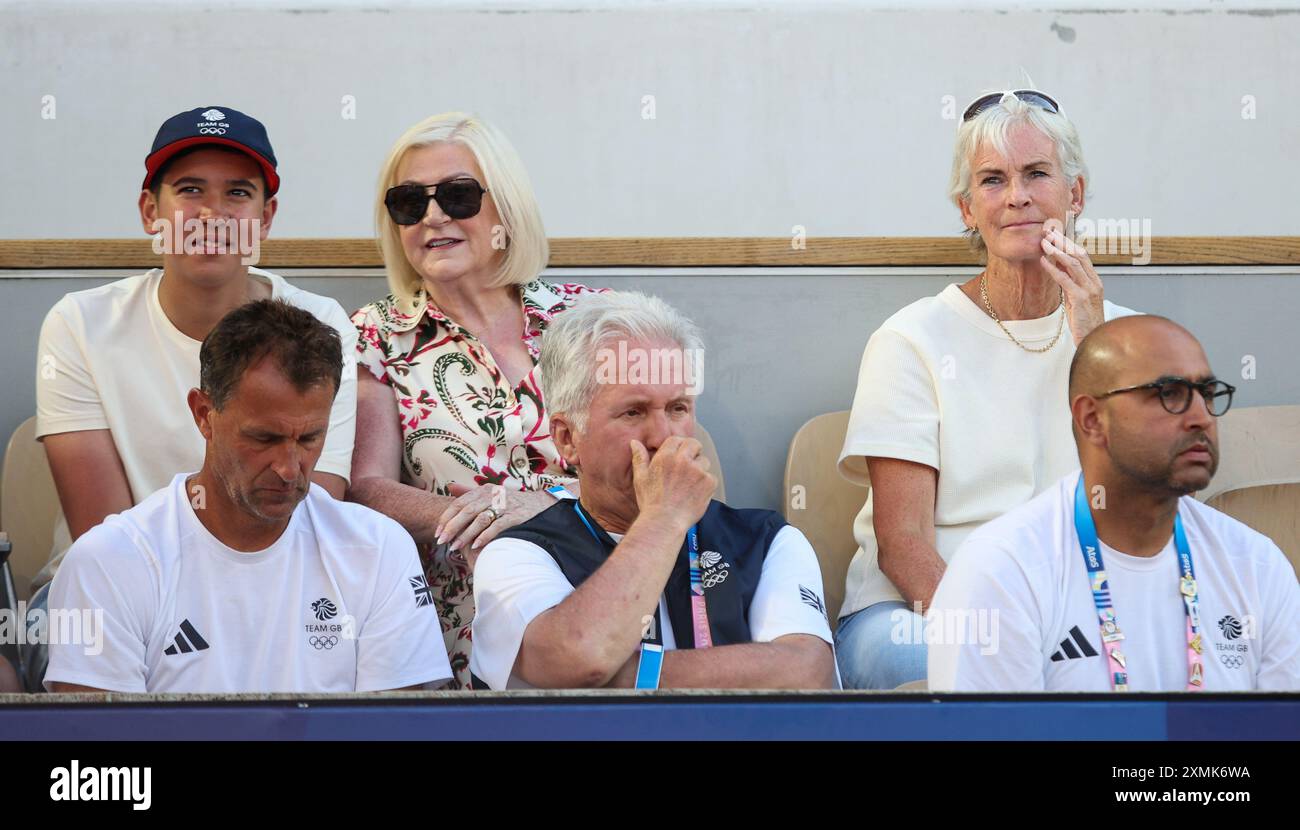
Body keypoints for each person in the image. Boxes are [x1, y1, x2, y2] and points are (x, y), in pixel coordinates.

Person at [27, 106, 357, 692]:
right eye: (189, 190)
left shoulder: (320, 323)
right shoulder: (80, 323)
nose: (211, 214)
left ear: (265, 216)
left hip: (275, 579)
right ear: (151, 211)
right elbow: (102, 536)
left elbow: (306, 506)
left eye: (237, 193)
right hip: (114, 590)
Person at [835, 90, 1140, 689]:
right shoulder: (911, 338)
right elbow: (902, 545)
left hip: (1074, 611)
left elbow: (1140, 506)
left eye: (1036, 174)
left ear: (1074, 195)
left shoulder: (1123, 337)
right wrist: (1001, 637)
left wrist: (1094, 349)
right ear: (967, 209)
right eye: (993, 180)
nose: (1018, 196)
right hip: (917, 613)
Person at [45, 301, 450, 693]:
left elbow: (392, 729)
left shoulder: (380, 549)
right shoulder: (106, 563)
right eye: (264, 438)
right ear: (204, 414)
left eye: (310, 438)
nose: (290, 468)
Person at [469, 292, 838, 690]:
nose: (662, 436)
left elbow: (805, 673)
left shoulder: (767, 540)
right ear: (567, 439)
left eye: (678, 408)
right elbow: (577, 657)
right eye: (634, 412)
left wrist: (626, 675)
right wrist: (663, 518)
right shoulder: (517, 553)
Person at [349, 112, 601, 687]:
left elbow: (664, 469)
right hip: (463, 614)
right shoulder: (375, 336)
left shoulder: (593, 320)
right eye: (410, 203)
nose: (433, 216)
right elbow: (364, 490)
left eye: (458, 196)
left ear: (505, 209)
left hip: (602, 590)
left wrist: (549, 509)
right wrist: (483, 518)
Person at [928, 316, 1300, 691]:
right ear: (1092, 419)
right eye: (1170, 393)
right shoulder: (1002, 570)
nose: (1201, 417)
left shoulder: (1257, 566)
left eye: (1207, 392)